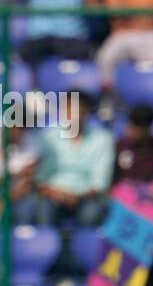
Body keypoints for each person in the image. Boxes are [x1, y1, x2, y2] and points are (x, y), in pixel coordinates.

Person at [34, 92, 114, 226]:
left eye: (77, 110)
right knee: (43, 210)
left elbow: (100, 182)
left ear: (86, 113)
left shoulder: (103, 139)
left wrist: (77, 197)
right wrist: (56, 194)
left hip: (87, 198)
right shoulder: (48, 137)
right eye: (68, 110)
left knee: (91, 214)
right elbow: (40, 177)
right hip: (53, 196)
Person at [113, 102, 153, 185]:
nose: (133, 130)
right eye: (132, 125)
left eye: (138, 127)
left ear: (149, 127)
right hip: (123, 195)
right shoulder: (120, 146)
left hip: (151, 195)